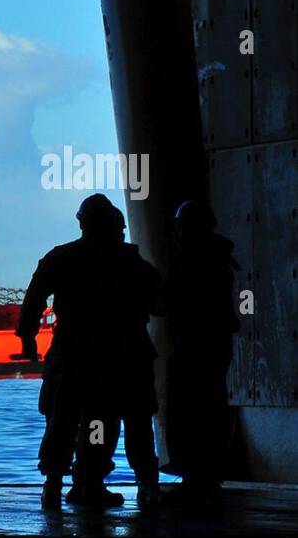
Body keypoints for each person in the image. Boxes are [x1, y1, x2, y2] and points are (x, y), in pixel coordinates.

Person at [18, 194, 140, 511]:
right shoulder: (124, 259)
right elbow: (156, 299)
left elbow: (33, 300)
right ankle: (90, 484)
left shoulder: (61, 257)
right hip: (107, 355)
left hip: (69, 352)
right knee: (99, 423)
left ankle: (54, 485)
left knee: (61, 420)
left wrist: (28, 339)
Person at [160, 199, 239, 509]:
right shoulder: (221, 260)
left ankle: (193, 477)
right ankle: (208, 475)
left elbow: (162, 301)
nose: (177, 234)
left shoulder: (186, 261)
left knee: (186, 412)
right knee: (212, 407)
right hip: (215, 348)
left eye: (180, 228)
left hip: (191, 349)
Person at [101, 204, 163, 511]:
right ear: (120, 230)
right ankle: (147, 485)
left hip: (95, 361)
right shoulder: (138, 266)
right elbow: (160, 305)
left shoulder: (74, 262)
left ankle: (87, 484)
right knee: (139, 425)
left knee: (98, 424)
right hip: (134, 358)